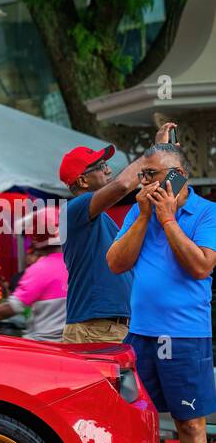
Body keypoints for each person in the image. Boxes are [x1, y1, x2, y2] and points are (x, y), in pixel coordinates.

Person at [106, 142, 216, 443]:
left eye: (151, 175)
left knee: (190, 425)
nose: (144, 182)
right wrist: (146, 216)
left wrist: (168, 219)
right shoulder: (139, 210)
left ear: (177, 175)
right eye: (142, 175)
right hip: (142, 336)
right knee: (135, 422)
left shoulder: (206, 213)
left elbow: (201, 265)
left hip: (186, 337)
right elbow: (116, 262)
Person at [59, 122, 177, 343]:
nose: (109, 170)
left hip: (110, 327)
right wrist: (155, 152)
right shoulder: (73, 210)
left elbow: (163, 196)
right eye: (101, 166)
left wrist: (169, 162)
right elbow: (123, 185)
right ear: (83, 180)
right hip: (95, 329)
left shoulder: (101, 219)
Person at [0, 206, 66, 341]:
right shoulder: (76, 264)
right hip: (71, 342)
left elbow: (12, 308)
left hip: (44, 344)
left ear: (36, 237)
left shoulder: (39, 270)